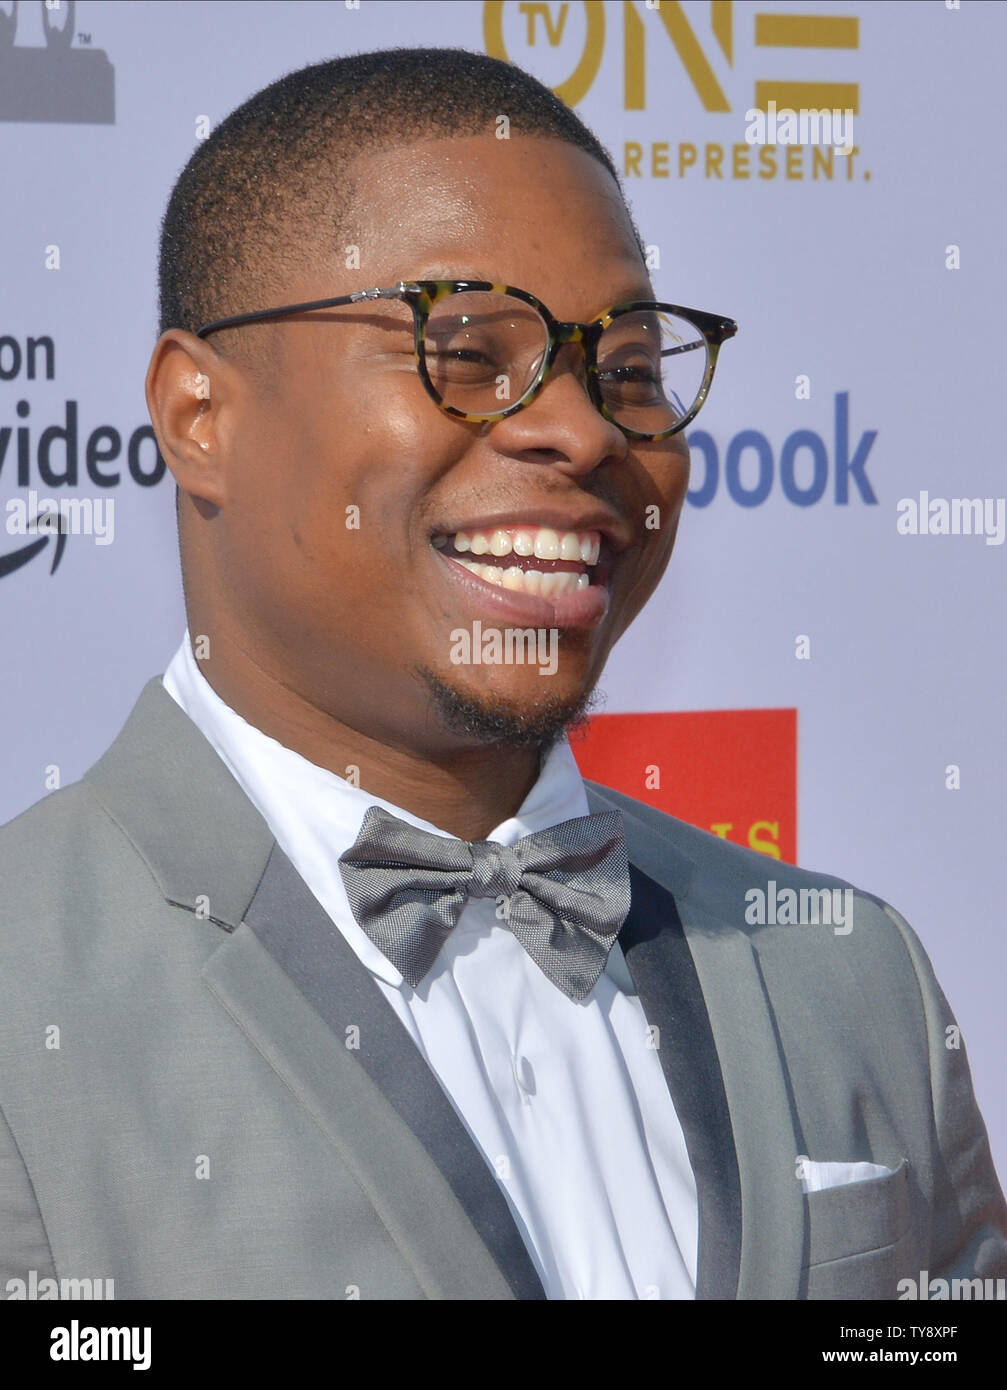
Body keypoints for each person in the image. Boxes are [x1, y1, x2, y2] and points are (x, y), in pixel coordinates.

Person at [1, 47, 1004, 1302]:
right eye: (467, 352)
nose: (582, 431)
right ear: (200, 415)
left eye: (629, 372)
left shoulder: (856, 981)